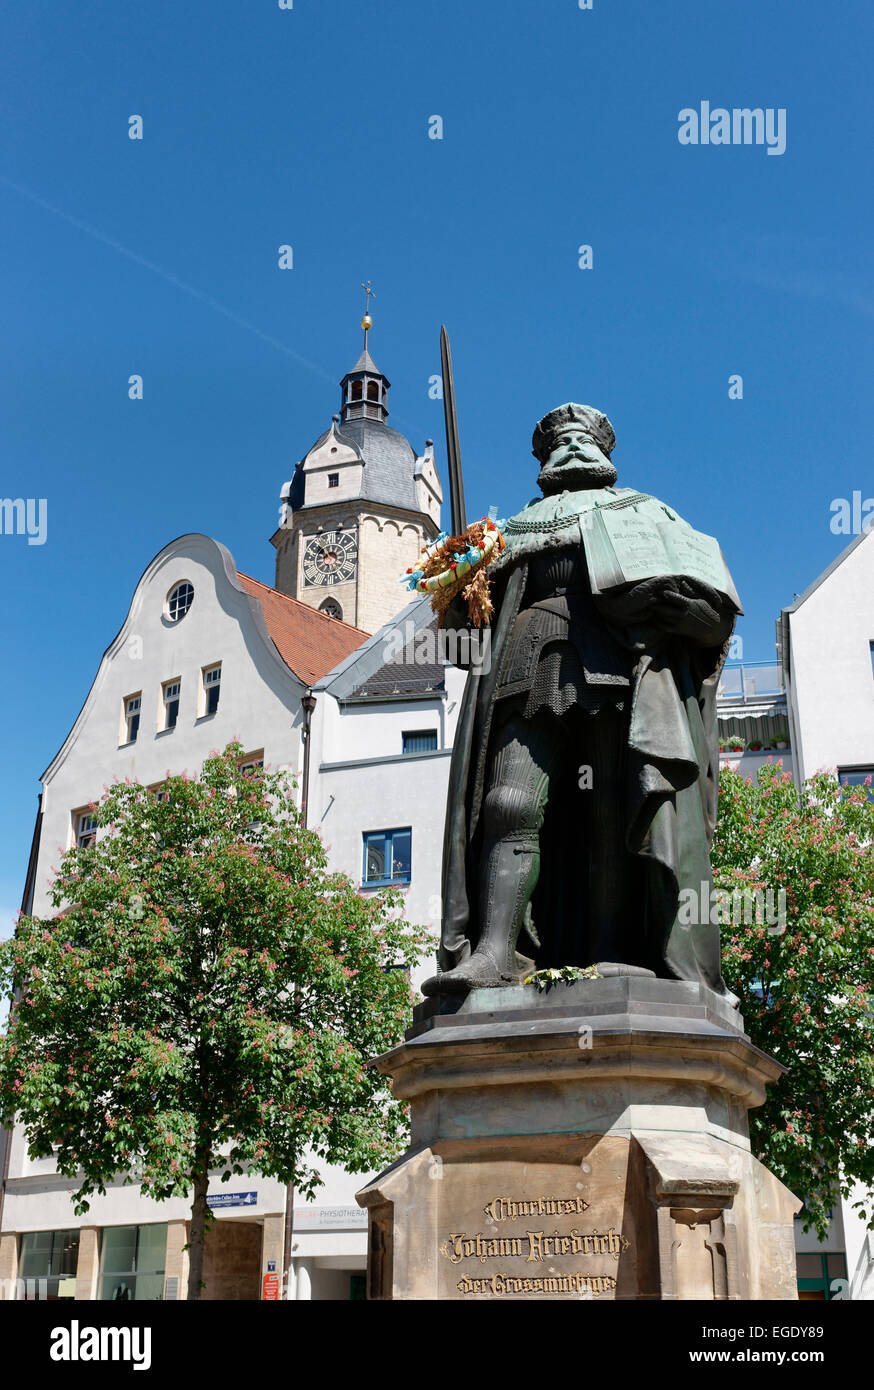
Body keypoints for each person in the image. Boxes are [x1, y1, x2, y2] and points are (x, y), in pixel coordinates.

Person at [423, 403, 740, 998]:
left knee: (610, 809)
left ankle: (612, 949)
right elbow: (457, 644)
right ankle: (495, 950)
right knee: (509, 801)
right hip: (523, 663)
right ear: (544, 459)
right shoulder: (504, 531)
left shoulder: (646, 513)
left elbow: (712, 610)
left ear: (603, 455)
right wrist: (459, 591)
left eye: (581, 441)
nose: (571, 450)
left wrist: (677, 605)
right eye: (558, 443)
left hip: (618, 666)